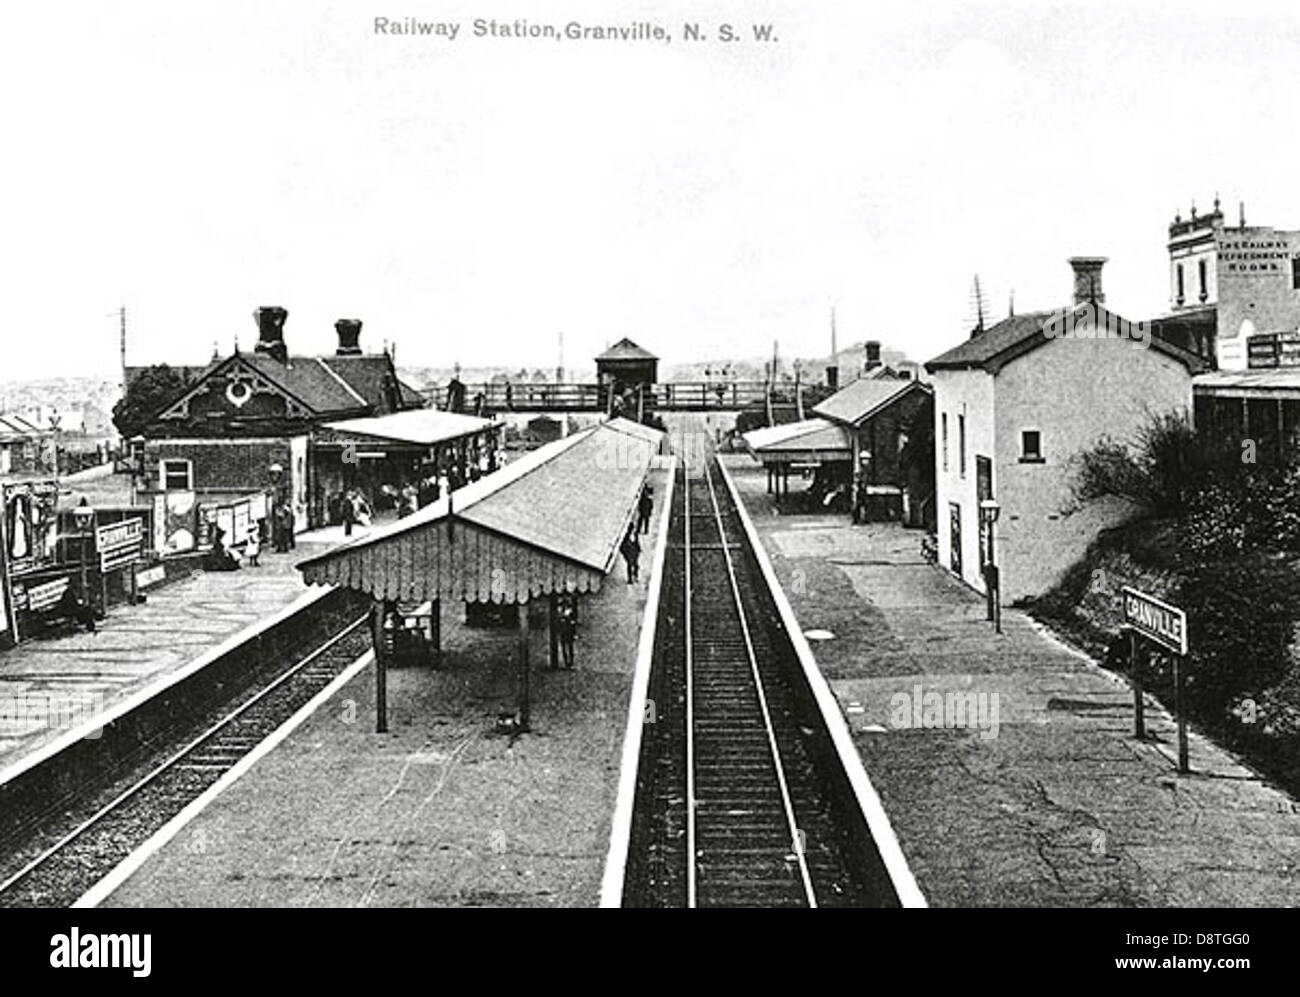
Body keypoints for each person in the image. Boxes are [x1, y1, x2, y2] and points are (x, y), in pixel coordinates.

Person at [556, 596, 577, 670]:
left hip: (568, 632)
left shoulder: (569, 613)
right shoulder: (561, 614)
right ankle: (567, 663)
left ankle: (570, 662)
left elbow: (572, 623)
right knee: (565, 647)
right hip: (564, 632)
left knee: (569, 647)